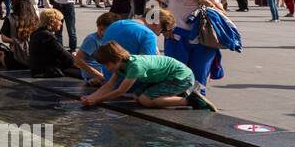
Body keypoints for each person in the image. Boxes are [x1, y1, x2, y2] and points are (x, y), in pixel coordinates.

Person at [83, 43, 216, 111]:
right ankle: (178, 96)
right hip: (165, 77)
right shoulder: (122, 64)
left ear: (117, 58)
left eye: (107, 64)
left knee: (146, 100)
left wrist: (97, 101)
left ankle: (191, 101)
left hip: (181, 77)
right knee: (137, 97)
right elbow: (109, 85)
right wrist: (91, 97)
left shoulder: (135, 66)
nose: (106, 68)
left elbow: (120, 91)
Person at [29, 8, 77, 77]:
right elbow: (63, 54)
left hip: (38, 68)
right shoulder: (47, 36)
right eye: (60, 21)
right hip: (48, 70)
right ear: (52, 21)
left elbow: (57, 51)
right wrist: (78, 61)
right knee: (84, 73)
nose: (61, 23)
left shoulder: (37, 32)